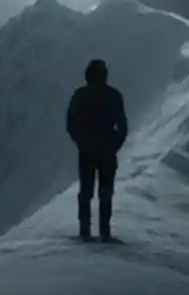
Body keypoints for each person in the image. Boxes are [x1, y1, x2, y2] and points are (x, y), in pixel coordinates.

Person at [66, 59, 128, 242]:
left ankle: (85, 230)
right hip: (106, 151)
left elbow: (70, 124)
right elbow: (122, 127)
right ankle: (104, 230)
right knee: (105, 191)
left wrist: (82, 141)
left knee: (86, 191)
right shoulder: (114, 96)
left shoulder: (80, 95)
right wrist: (113, 145)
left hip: (87, 151)